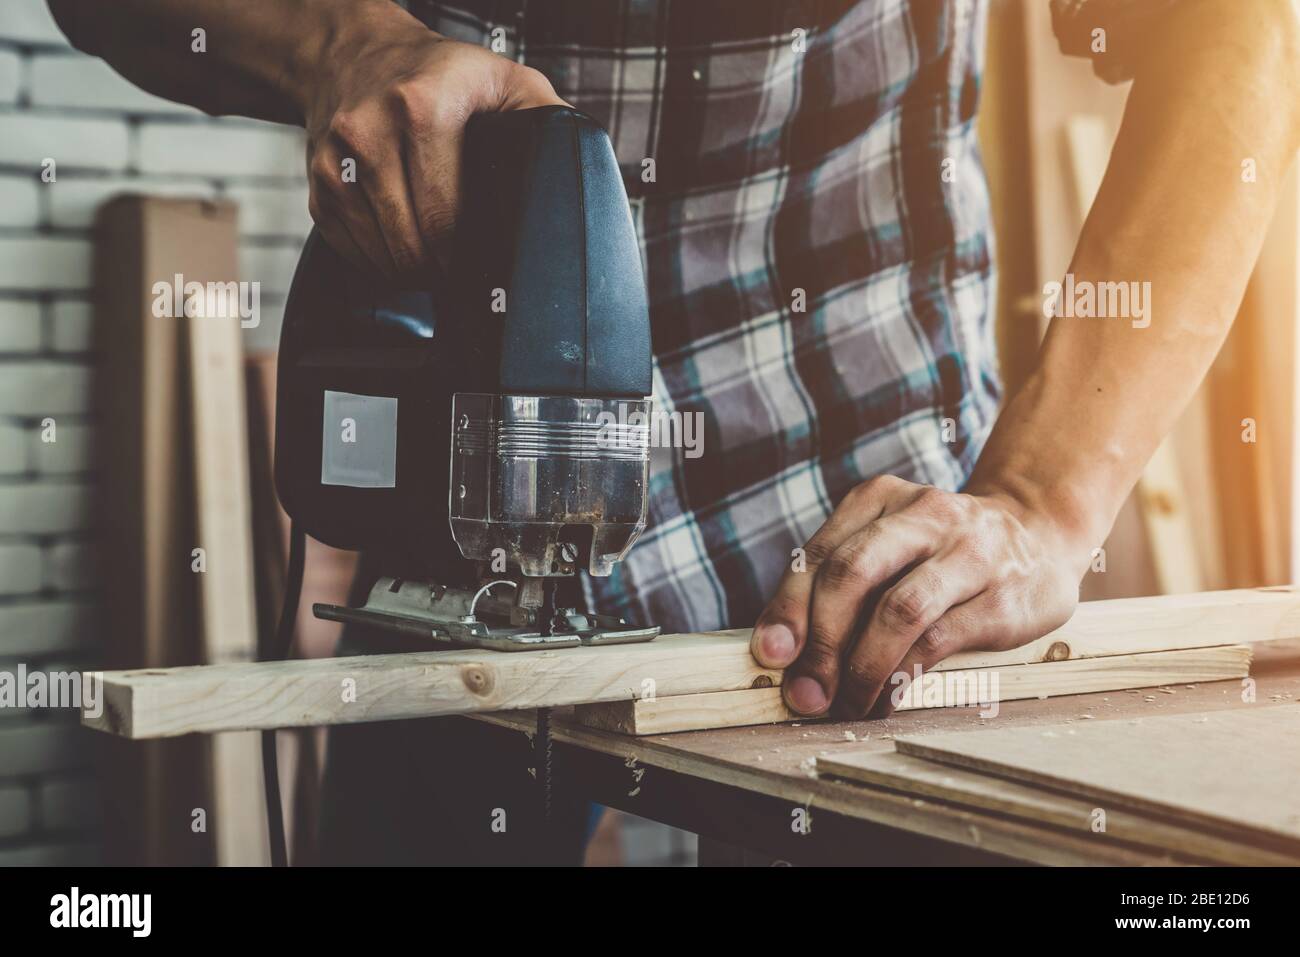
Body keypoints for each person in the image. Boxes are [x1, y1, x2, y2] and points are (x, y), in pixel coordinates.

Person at [48, 0, 1300, 862]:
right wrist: (343, 40)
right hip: (485, 436)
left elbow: (1233, 25)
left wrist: (1042, 498)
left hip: (847, 418)